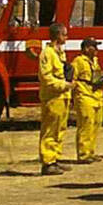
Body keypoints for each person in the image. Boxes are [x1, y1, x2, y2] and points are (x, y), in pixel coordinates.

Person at [38, 22, 72, 175]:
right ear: (58, 35)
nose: (66, 37)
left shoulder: (60, 53)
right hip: (53, 97)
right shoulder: (47, 53)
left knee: (60, 129)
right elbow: (46, 77)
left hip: (63, 97)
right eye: (64, 34)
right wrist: (63, 85)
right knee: (50, 130)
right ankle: (47, 162)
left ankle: (55, 158)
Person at [70, 37, 103, 164]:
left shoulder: (95, 61)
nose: (97, 49)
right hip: (84, 95)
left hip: (96, 95)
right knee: (86, 124)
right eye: (94, 47)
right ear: (86, 49)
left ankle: (91, 151)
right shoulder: (78, 61)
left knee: (96, 123)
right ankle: (83, 154)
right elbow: (72, 78)